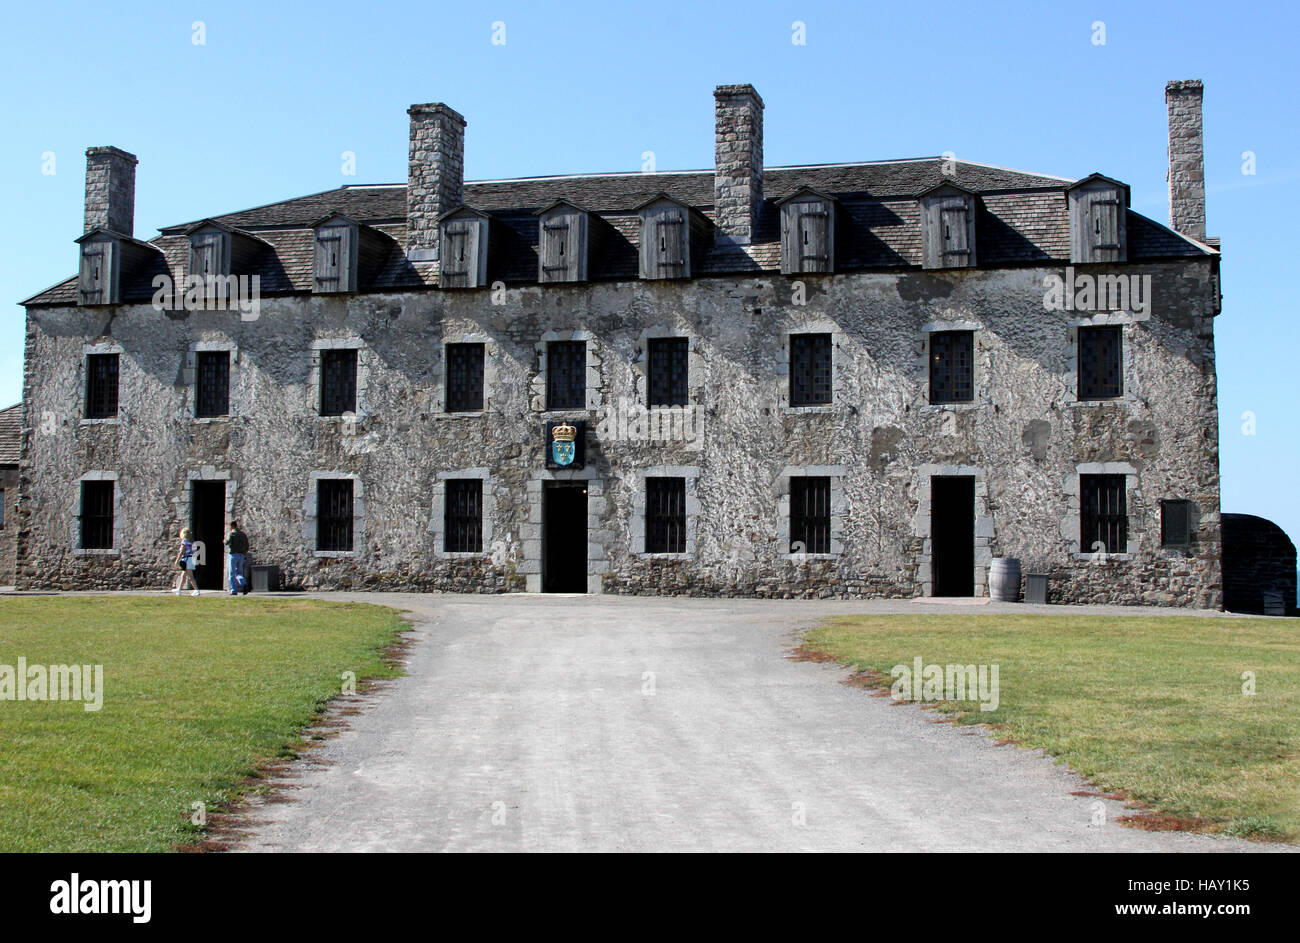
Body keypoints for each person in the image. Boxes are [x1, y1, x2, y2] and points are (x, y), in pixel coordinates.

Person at [172, 527, 201, 597]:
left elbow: (181, 552)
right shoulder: (192, 542)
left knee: (190, 576)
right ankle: (179, 589)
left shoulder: (184, 542)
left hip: (187, 559)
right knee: (183, 575)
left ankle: (196, 590)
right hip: (191, 559)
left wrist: (177, 560)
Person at [226, 521, 250, 596]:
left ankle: (233, 590)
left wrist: (224, 540)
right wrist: (244, 553)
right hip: (241, 555)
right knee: (239, 572)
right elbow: (247, 545)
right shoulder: (243, 534)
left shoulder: (231, 534)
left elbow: (227, 542)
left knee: (232, 573)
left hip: (233, 555)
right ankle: (244, 584)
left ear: (232, 526)